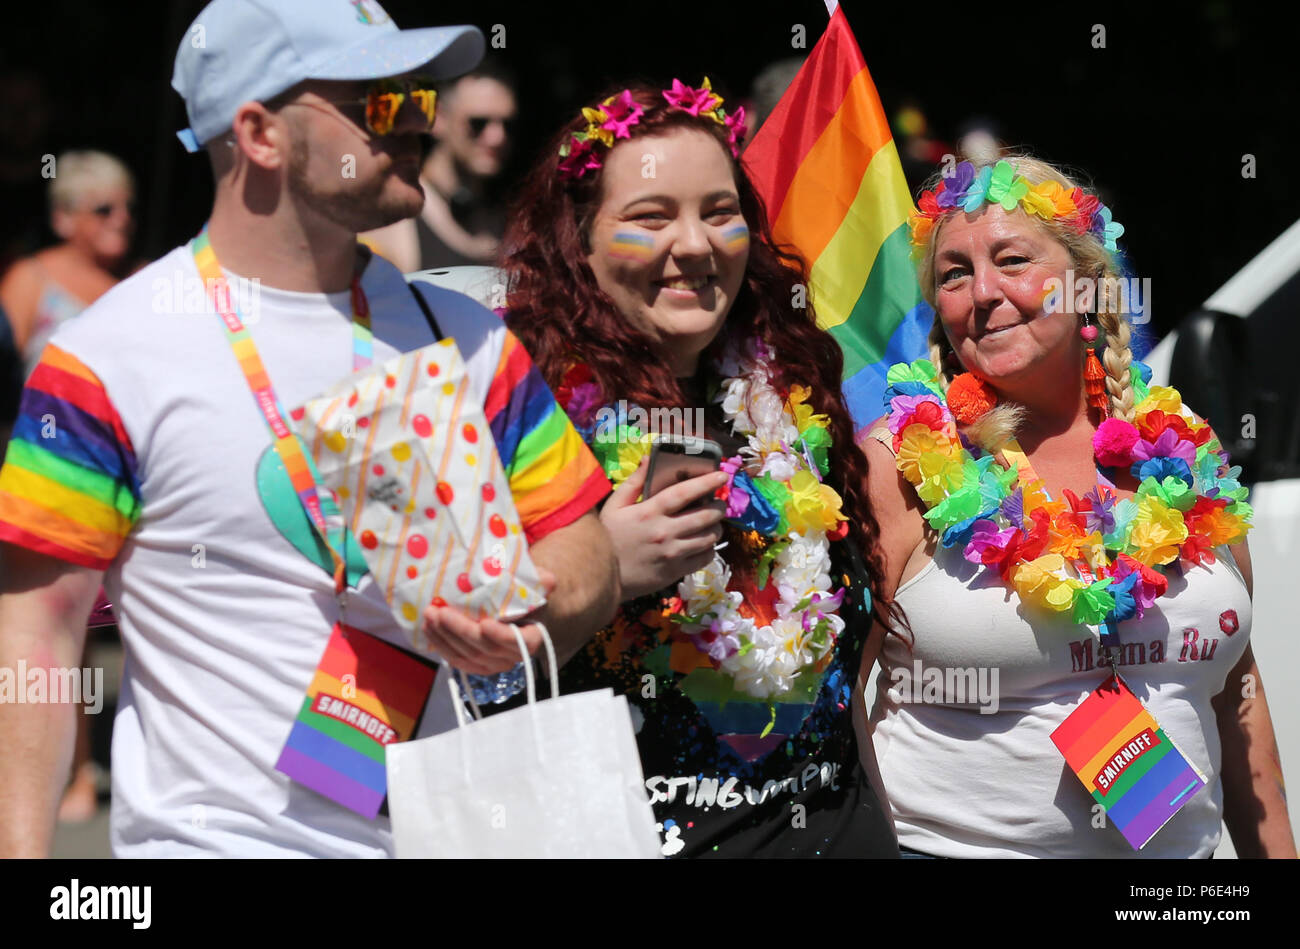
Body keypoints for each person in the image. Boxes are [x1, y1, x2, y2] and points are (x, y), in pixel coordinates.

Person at [0, 0, 617, 859]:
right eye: (381, 102)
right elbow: (34, 633)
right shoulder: (105, 359)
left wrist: (536, 608)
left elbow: (584, 546)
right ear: (259, 133)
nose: (418, 124)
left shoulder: (466, 335)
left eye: (421, 98)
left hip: (454, 836)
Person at [501, 79, 902, 857]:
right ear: (577, 241)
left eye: (719, 212)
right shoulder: (521, 415)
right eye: (650, 216)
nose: (694, 243)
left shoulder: (791, 402)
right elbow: (445, 658)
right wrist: (605, 570)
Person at [862, 154, 1296, 857]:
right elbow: (834, 704)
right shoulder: (900, 461)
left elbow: (1237, 687)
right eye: (953, 274)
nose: (983, 292)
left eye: (1011, 258)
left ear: (1086, 283)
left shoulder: (1182, 446)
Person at [362, 58, 517, 272]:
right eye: (478, 123)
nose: (497, 137)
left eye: (507, 125)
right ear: (439, 118)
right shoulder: (398, 216)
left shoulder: (508, 220)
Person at [0, 150, 137, 377]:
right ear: (64, 217)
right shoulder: (31, 278)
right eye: (104, 209)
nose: (122, 219)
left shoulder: (144, 278)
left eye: (130, 208)